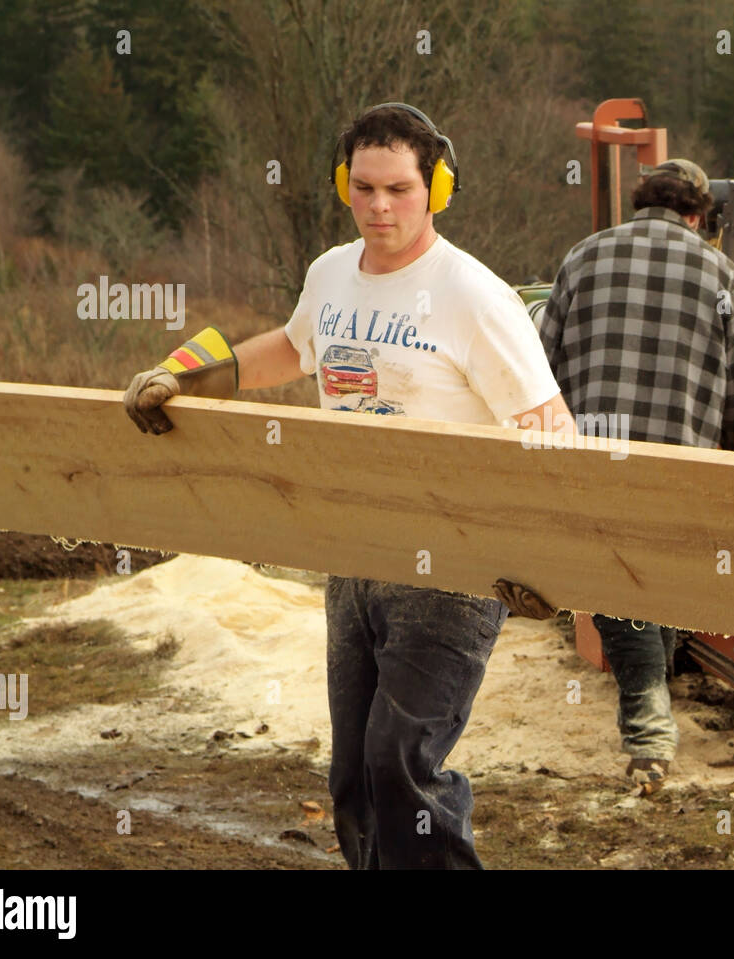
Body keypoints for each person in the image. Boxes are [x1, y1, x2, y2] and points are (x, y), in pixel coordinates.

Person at [124, 102, 575, 868]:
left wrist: (528, 552)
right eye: (363, 188)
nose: (379, 206)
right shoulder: (331, 274)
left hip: (452, 569)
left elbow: (549, 433)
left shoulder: (474, 296)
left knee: (403, 765)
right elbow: (291, 349)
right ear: (343, 183)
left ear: (437, 189)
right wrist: (185, 373)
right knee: (356, 780)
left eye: (398, 189)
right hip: (356, 554)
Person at [539, 158, 734, 794]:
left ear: (641, 205)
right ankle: (651, 723)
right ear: (698, 216)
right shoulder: (721, 272)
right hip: (680, 467)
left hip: (595, 458)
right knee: (654, 582)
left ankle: (650, 718)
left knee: (621, 583)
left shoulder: (583, 258)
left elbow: (543, 365)